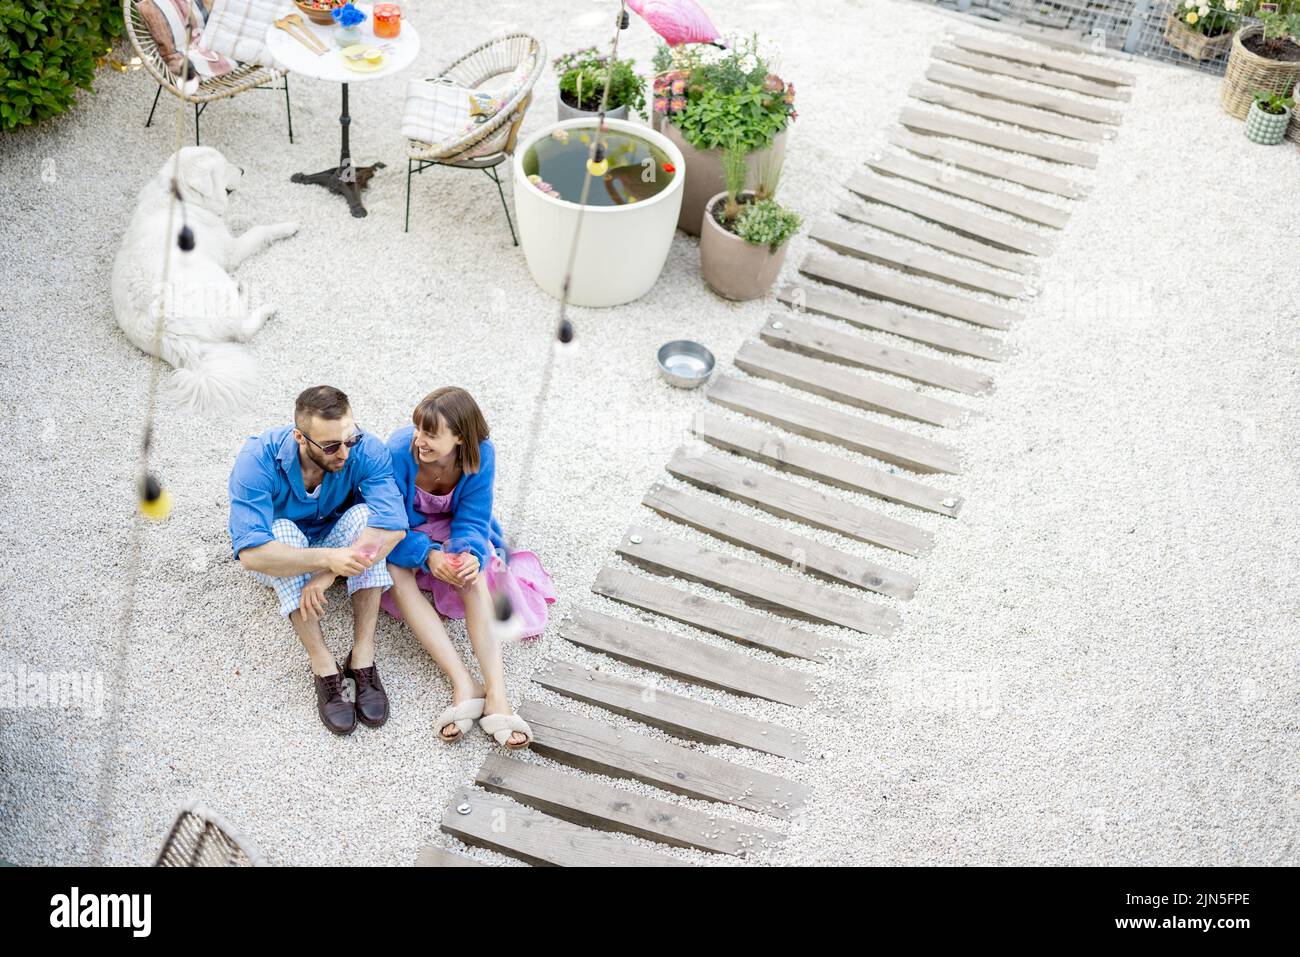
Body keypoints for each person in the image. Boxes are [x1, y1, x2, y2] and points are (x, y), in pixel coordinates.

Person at [228, 385, 408, 735]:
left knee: (364, 519)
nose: (343, 453)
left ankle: (362, 656)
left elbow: (393, 527)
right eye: (330, 446)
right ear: (299, 437)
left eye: (348, 440)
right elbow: (252, 554)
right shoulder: (256, 459)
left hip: (336, 541)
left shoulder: (364, 448)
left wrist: (326, 573)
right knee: (281, 532)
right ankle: (322, 662)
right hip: (284, 550)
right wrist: (327, 557)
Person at [382, 386, 555, 749]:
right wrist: (427, 554)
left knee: (471, 573)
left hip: (454, 527)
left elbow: (473, 518)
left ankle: (497, 694)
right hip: (407, 532)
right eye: (418, 430)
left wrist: (469, 553)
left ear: (460, 437)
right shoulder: (399, 451)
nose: (420, 441)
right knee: (397, 573)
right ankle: (463, 682)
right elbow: (388, 522)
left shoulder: (482, 455)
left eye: (431, 434)